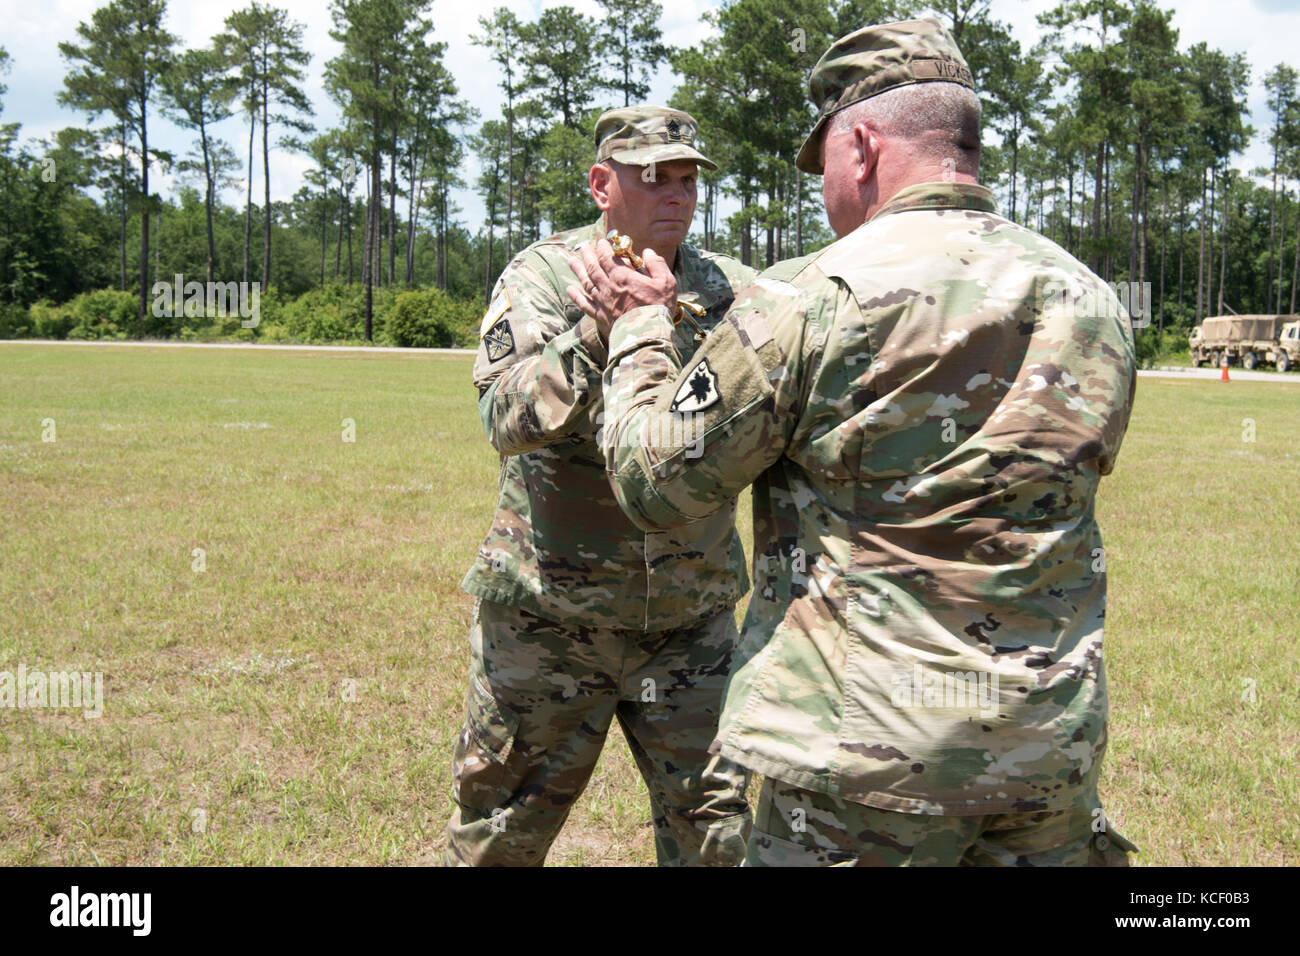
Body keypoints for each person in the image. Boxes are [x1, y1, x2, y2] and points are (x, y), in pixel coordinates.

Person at [577, 20, 1140, 866]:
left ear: (865, 148)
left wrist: (641, 333)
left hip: (865, 770)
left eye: (828, 166)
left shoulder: (812, 296)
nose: (826, 193)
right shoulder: (1090, 300)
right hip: (1046, 752)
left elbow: (657, 482)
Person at [444, 105, 756, 866]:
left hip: (691, 624)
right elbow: (505, 415)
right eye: (655, 179)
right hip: (552, 620)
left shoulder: (730, 292)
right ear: (600, 184)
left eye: (687, 179)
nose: (677, 196)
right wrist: (598, 332)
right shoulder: (543, 277)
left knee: (722, 836)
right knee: (500, 832)